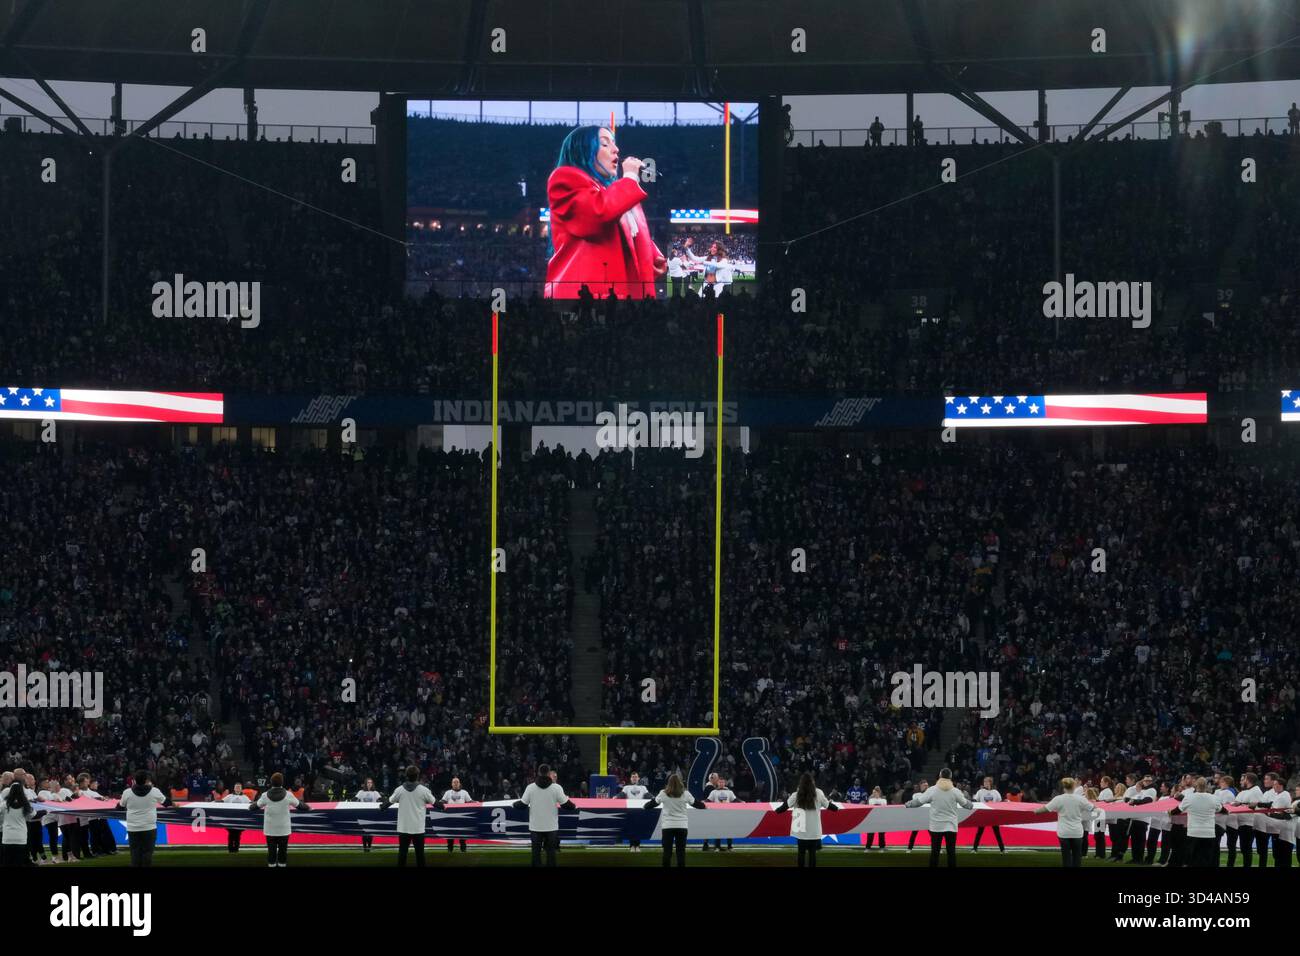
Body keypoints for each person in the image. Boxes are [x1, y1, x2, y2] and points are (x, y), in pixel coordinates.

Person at [544, 126, 665, 299]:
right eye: (604, 144)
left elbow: (647, 258)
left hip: (619, 300)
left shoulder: (611, 194)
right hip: (582, 299)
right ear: (583, 151)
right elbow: (594, 217)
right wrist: (629, 178)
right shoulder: (564, 178)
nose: (616, 150)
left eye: (614, 144)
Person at [906, 769, 972, 868]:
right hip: (951, 826)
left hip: (936, 827)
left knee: (935, 853)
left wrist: (908, 804)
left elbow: (918, 802)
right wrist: (971, 803)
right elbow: (967, 805)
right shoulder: (955, 791)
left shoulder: (932, 790)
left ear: (940, 776)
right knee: (951, 853)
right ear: (950, 777)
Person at [774, 772, 839, 868]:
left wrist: (775, 811)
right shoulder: (819, 793)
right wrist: (837, 809)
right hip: (814, 830)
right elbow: (829, 806)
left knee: (801, 853)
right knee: (812, 854)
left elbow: (784, 807)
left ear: (801, 782)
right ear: (812, 782)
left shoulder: (796, 794)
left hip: (800, 830)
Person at [515, 765, 575, 867]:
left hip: (535, 826)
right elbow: (566, 805)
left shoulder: (531, 787)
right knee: (551, 853)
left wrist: (513, 804)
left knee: (536, 854)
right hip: (551, 827)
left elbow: (522, 805)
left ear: (538, 772)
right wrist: (574, 806)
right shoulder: (556, 788)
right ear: (549, 773)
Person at [643, 773, 705, 868]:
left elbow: (653, 803)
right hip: (682, 826)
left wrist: (645, 806)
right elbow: (696, 804)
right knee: (681, 852)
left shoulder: (663, 793)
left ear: (668, 783)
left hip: (667, 826)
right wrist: (704, 805)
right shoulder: (686, 793)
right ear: (680, 782)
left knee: (667, 851)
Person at [251, 772, 309, 868]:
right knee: (283, 851)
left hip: (270, 829)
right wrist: (310, 808)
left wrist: (249, 806)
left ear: (271, 782)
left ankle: (272, 865)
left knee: (271, 851)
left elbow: (254, 807)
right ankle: (282, 864)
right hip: (284, 829)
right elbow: (301, 806)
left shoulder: (265, 795)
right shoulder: (288, 795)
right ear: (282, 782)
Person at [1034, 777, 1094, 867]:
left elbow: (1045, 809)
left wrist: (1035, 811)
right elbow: (1092, 808)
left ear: (1063, 787)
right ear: (1074, 787)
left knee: (1066, 857)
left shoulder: (1058, 799)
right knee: (1077, 857)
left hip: (1064, 832)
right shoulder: (1081, 799)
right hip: (1077, 832)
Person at [387, 765, 439, 868]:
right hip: (418, 828)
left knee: (402, 854)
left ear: (406, 775)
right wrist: (444, 807)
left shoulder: (400, 789)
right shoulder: (424, 790)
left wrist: (381, 807)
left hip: (404, 828)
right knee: (420, 855)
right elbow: (435, 803)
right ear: (417, 775)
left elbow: (388, 802)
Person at [118, 771, 167, 867]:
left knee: (135, 852)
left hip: (133, 828)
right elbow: (167, 803)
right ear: (147, 781)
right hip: (149, 827)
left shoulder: (127, 792)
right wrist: (175, 804)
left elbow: (120, 806)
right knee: (147, 852)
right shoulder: (154, 791)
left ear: (134, 781)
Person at [1180, 777, 1223, 868]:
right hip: (1209, 833)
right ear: (1207, 786)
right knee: (1206, 859)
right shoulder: (1214, 798)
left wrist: (1169, 812)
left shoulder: (1189, 797)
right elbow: (1221, 809)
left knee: (1193, 859)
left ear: (1196, 785)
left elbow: (1178, 809)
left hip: (1193, 832)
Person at [1, 781, 36, 867]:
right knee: (19, 862)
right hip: (21, 837)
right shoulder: (25, 804)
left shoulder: (4, 804)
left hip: (7, 837)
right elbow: (32, 815)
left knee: (7, 862)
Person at [1233, 772, 1264, 868]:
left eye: (1244, 779)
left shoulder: (1256, 790)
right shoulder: (1244, 792)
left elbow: (1256, 805)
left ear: (1248, 780)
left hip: (1249, 823)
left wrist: (1241, 804)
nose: (1242, 781)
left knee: (1247, 848)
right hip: (1241, 822)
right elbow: (1235, 803)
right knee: (1244, 848)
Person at [1265, 775, 1293, 868]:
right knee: (1278, 854)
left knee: (1281, 854)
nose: (1273, 786)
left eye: (1275, 784)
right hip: (1277, 828)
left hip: (1282, 829)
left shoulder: (1283, 796)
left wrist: (1268, 813)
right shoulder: (1279, 795)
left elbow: (1279, 813)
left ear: (1281, 785)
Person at [617, 771, 649, 852]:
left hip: (640, 811)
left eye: (636, 777)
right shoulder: (626, 787)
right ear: (631, 779)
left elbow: (648, 795)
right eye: (633, 777)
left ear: (638, 778)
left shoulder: (643, 787)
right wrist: (616, 797)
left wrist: (654, 798)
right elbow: (622, 795)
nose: (634, 778)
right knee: (631, 828)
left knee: (638, 828)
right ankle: (631, 846)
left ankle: (637, 846)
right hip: (630, 811)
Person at [971, 776, 1005, 852]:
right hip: (983, 815)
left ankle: (1002, 849)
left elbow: (1000, 802)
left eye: (987, 781)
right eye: (984, 781)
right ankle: (974, 848)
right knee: (979, 832)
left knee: (997, 833)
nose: (985, 783)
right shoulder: (980, 791)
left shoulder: (995, 792)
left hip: (993, 815)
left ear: (990, 782)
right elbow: (975, 800)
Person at [441, 776, 473, 852]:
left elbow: (470, 802)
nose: (455, 783)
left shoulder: (464, 792)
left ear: (459, 783)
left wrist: (477, 803)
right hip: (450, 817)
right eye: (454, 782)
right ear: (451, 784)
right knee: (450, 833)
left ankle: (463, 848)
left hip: (462, 816)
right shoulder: (448, 792)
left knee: (462, 833)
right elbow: (442, 801)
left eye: (457, 782)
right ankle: (450, 849)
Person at [706, 777, 736, 851]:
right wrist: (703, 801)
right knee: (718, 831)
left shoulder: (729, 792)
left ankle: (730, 847)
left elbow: (735, 799)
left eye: (722, 782)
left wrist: (742, 802)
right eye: (720, 782)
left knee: (729, 831)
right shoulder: (714, 792)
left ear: (725, 783)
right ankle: (717, 847)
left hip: (727, 814)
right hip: (717, 814)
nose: (721, 783)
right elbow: (709, 800)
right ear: (717, 783)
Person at [354, 777, 381, 852]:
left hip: (372, 815)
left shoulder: (375, 793)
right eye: (368, 783)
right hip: (363, 814)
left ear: (372, 784)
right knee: (364, 832)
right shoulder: (361, 792)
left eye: (371, 782)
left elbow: (381, 800)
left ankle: (369, 847)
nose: (369, 784)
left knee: (370, 832)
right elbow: (354, 799)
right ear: (365, 784)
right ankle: (364, 847)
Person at [222, 781, 251, 852]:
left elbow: (251, 804)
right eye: (236, 787)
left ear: (241, 789)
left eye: (239, 787)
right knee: (231, 835)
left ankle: (236, 849)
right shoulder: (229, 796)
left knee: (238, 836)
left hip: (240, 821)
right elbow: (221, 803)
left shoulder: (245, 797)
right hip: (230, 820)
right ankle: (230, 849)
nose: (238, 788)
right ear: (234, 788)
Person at [905, 779, 929, 852]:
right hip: (918, 817)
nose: (926, 787)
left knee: (933, 834)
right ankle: (909, 848)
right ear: (920, 786)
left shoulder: (930, 794)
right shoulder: (916, 795)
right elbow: (917, 803)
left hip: (927, 817)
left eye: (927, 785)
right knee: (914, 833)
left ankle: (938, 848)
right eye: (924, 785)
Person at [864, 786, 888, 850]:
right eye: (874, 792)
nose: (875, 793)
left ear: (880, 792)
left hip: (881, 818)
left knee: (881, 834)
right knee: (870, 834)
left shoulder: (884, 800)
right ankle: (868, 846)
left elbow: (883, 806)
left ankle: (882, 846)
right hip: (872, 818)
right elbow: (872, 804)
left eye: (877, 791)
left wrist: (877, 798)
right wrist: (873, 796)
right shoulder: (871, 800)